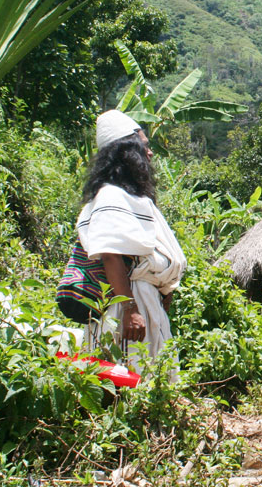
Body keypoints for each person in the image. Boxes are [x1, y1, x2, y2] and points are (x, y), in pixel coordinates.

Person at [78, 110, 186, 380]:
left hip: (145, 301)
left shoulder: (133, 197)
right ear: (127, 152)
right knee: (128, 375)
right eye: (145, 147)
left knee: (150, 374)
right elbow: (111, 256)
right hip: (128, 303)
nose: (150, 154)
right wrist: (130, 310)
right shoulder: (110, 196)